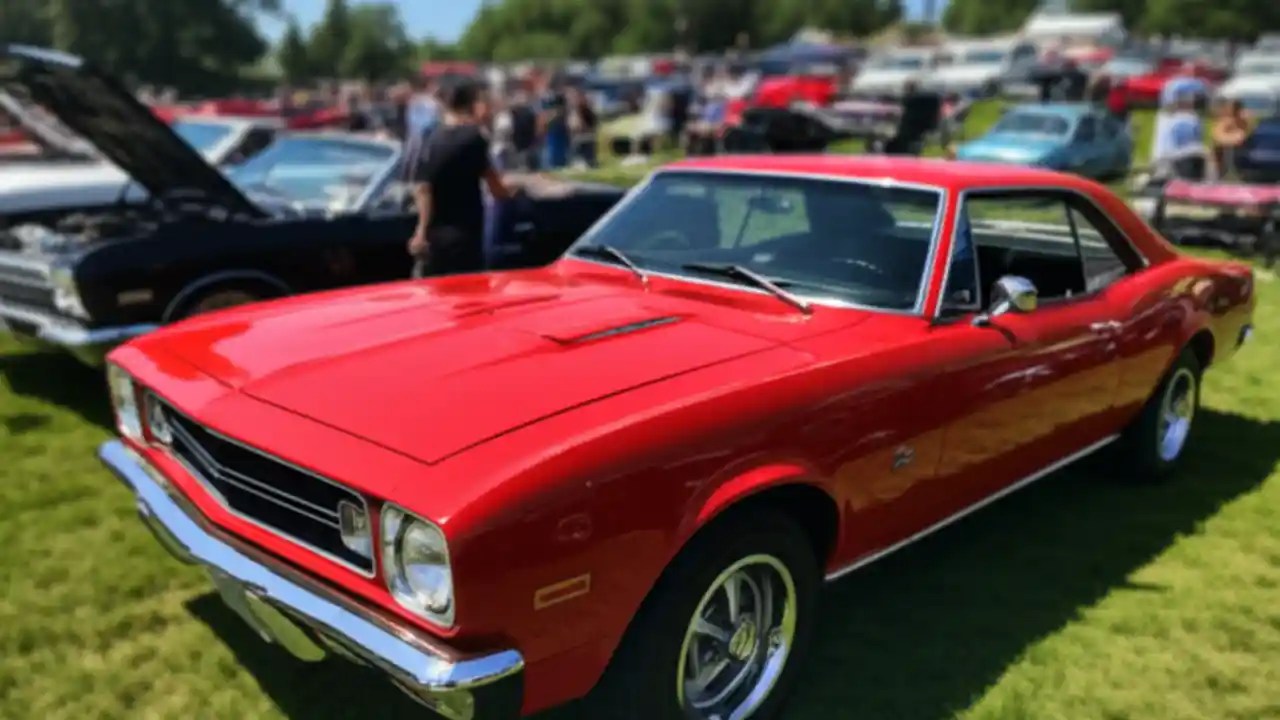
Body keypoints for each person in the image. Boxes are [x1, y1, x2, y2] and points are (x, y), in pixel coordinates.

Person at [408, 82, 511, 278]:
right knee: (469, 290)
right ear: (471, 103)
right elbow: (495, 186)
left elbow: (422, 189)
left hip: (435, 236)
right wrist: (513, 192)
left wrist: (420, 231)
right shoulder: (474, 137)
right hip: (466, 234)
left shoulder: (430, 137)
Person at [1212, 98, 1252, 179]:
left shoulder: (1243, 121)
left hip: (1238, 150)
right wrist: (1233, 138)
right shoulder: (1224, 121)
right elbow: (1218, 136)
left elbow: (1244, 135)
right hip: (1223, 150)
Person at [566, 86, 598, 167]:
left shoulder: (588, 111)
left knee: (589, 163)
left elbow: (584, 126)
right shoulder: (571, 111)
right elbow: (572, 127)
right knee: (577, 164)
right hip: (577, 141)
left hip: (587, 140)